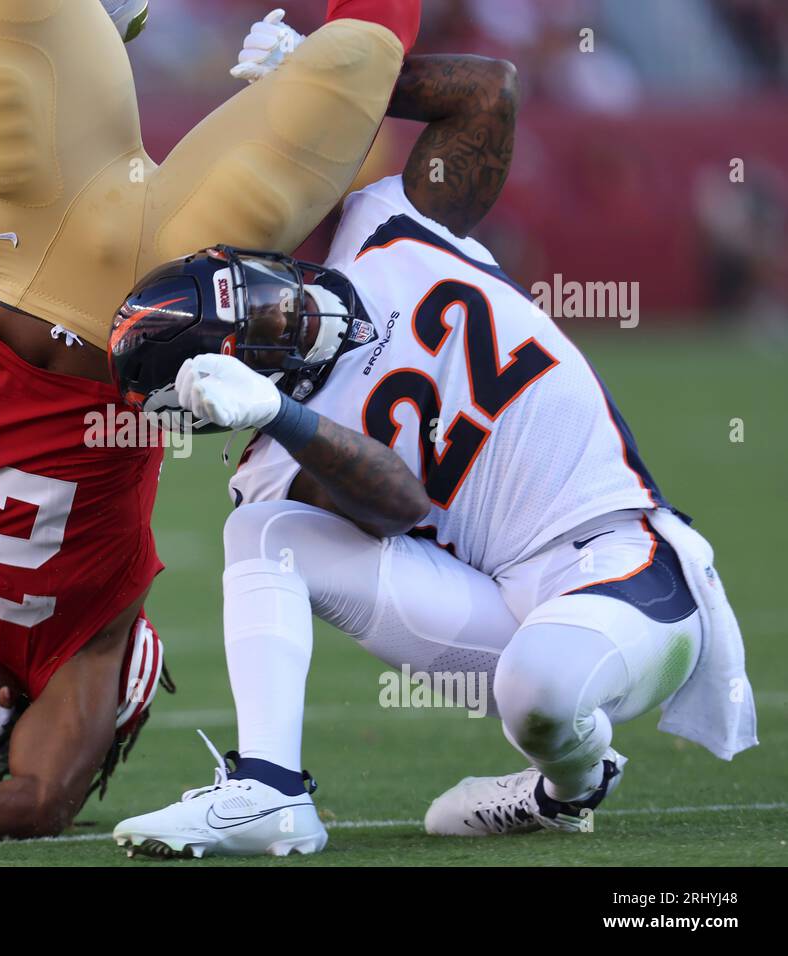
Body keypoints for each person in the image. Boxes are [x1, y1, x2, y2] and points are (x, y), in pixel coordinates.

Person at [0, 1, 421, 846]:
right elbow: (42, 803)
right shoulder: (89, 640)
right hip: (178, 275)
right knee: (354, 57)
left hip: (33, 241)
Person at [108, 44, 756, 858]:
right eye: (253, 336)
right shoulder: (279, 458)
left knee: (542, 688)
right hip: (504, 614)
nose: (280, 317)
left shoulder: (392, 223)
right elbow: (398, 502)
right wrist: (281, 413)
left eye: (256, 298)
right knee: (263, 534)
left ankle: (569, 785)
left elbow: (489, 91)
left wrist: (327, 80)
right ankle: (270, 791)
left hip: (623, 560)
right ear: (221, 393)